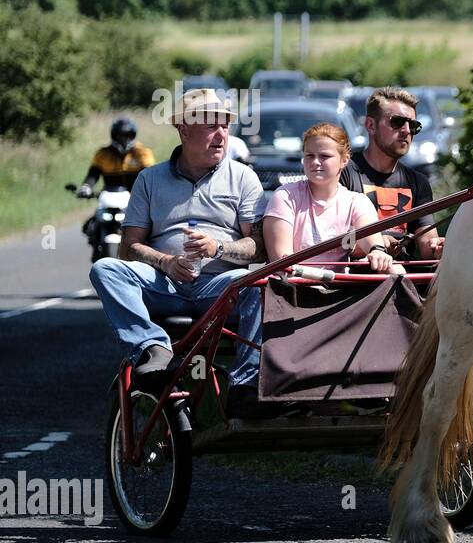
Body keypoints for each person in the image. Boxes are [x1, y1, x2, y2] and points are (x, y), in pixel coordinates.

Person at [88, 88, 266, 417]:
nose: (221, 134)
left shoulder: (244, 178)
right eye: (211, 125)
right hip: (163, 285)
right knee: (105, 269)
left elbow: (258, 247)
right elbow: (130, 245)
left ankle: (245, 387)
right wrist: (166, 262)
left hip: (219, 286)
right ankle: (152, 348)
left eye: (225, 125)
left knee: (255, 282)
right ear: (184, 129)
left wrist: (219, 247)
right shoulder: (149, 179)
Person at [262, 123, 394, 272]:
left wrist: (377, 252)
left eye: (324, 156)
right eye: (309, 156)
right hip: (293, 288)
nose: (315, 162)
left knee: (397, 272)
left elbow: (373, 241)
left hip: (339, 290)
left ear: (344, 160)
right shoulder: (285, 197)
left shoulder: (357, 202)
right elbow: (281, 264)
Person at [341, 86, 444, 260]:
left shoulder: (418, 182)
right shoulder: (343, 173)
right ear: (370, 125)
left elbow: (428, 246)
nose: (406, 130)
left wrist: (437, 247)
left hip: (402, 281)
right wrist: (375, 245)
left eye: (413, 125)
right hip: (354, 283)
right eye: (397, 122)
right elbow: (338, 241)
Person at [77, 117, 155, 196]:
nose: (124, 139)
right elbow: (93, 174)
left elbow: (149, 174)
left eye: (127, 135)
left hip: (136, 199)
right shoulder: (103, 154)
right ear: (114, 136)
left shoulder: (143, 152)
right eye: (120, 135)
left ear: (133, 135)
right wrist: (86, 187)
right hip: (108, 199)